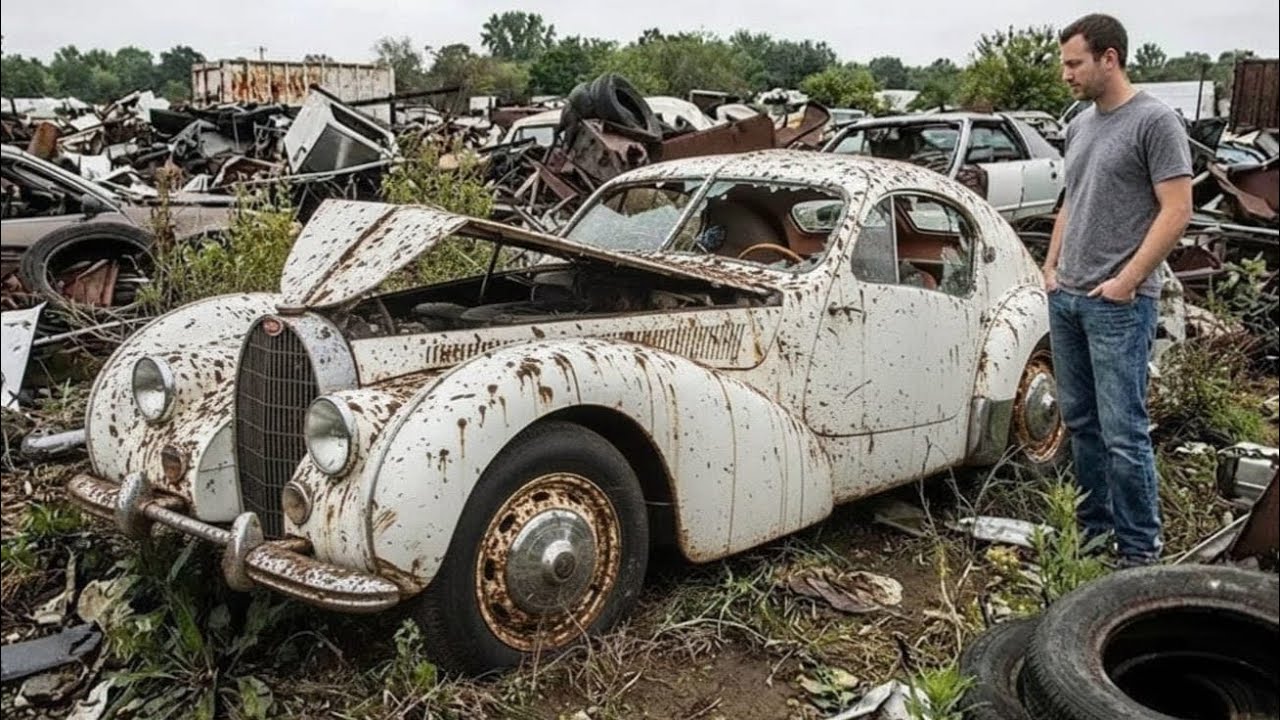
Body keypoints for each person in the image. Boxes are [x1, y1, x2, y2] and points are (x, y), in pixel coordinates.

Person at [1043, 13, 1193, 567]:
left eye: (1074, 63)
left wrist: (1127, 282)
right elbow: (1071, 201)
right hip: (1068, 297)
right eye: (1064, 64)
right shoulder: (1080, 124)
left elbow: (1177, 210)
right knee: (1080, 423)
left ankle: (1138, 551)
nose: (1066, 74)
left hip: (1118, 304)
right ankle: (1093, 533)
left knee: (1123, 432)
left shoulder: (1155, 122)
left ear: (1110, 58)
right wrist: (1051, 267)